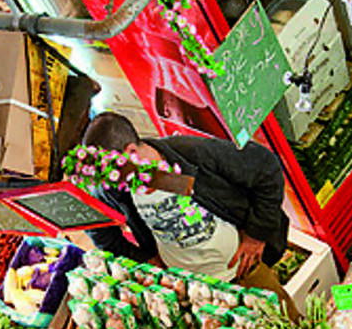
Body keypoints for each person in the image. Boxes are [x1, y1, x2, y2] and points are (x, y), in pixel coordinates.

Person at [77, 112, 293, 304]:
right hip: (191, 290)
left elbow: (267, 167)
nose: (115, 184)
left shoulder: (193, 153)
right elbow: (95, 225)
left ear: (131, 152)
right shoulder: (114, 183)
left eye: (116, 175)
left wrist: (256, 235)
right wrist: (145, 260)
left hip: (244, 272)